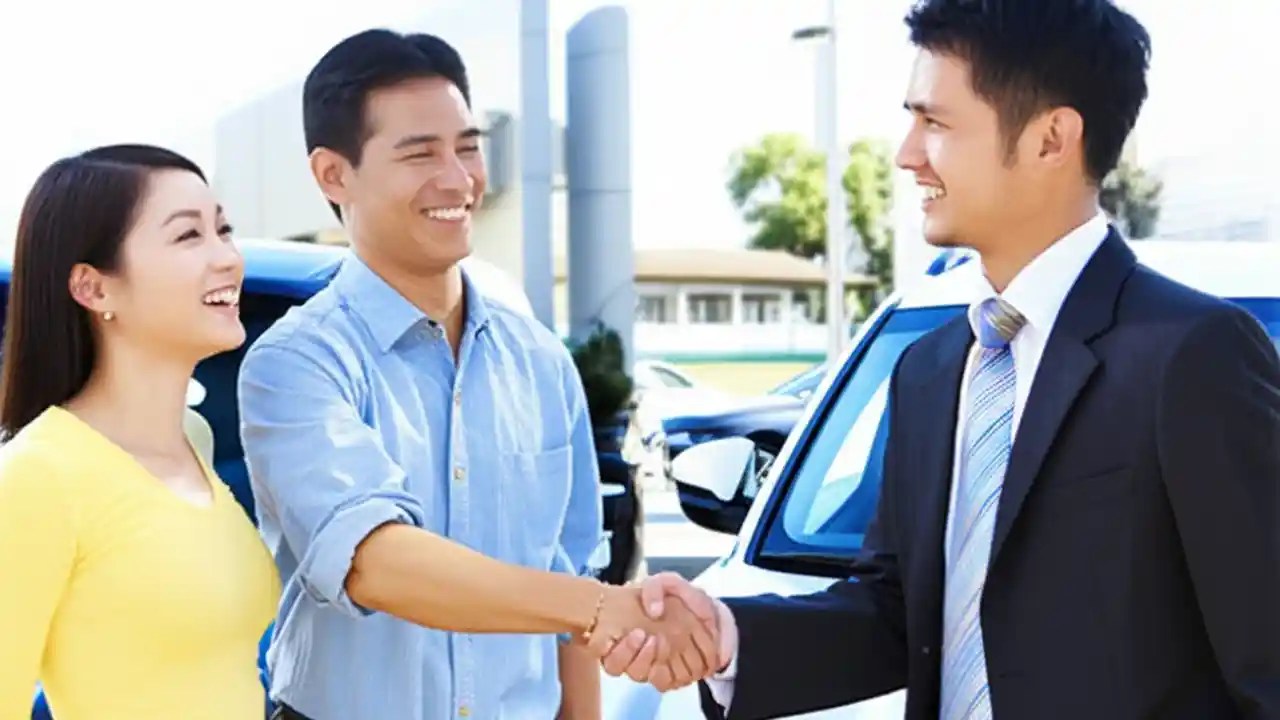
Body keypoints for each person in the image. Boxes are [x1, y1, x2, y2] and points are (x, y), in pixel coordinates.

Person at [605, 1, 1280, 718]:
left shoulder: (1193, 356)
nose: (906, 153)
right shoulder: (929, 370)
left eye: (936, 122)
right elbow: (899, 616)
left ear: (1052, 137)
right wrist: (725, 635)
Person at [236, 29, 716, 720]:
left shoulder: (541, 361)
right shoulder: (297, 364)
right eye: (419, 153)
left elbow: (572, 573)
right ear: (333, 175)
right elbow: (374, 562)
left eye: (467, 146)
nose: (459, 179)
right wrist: (605, 607)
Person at [0, 144, 282, 719]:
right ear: (94, 288)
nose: (228, 257)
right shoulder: (40, 474)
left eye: (223, 229)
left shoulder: (194, 444)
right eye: (188, 236)